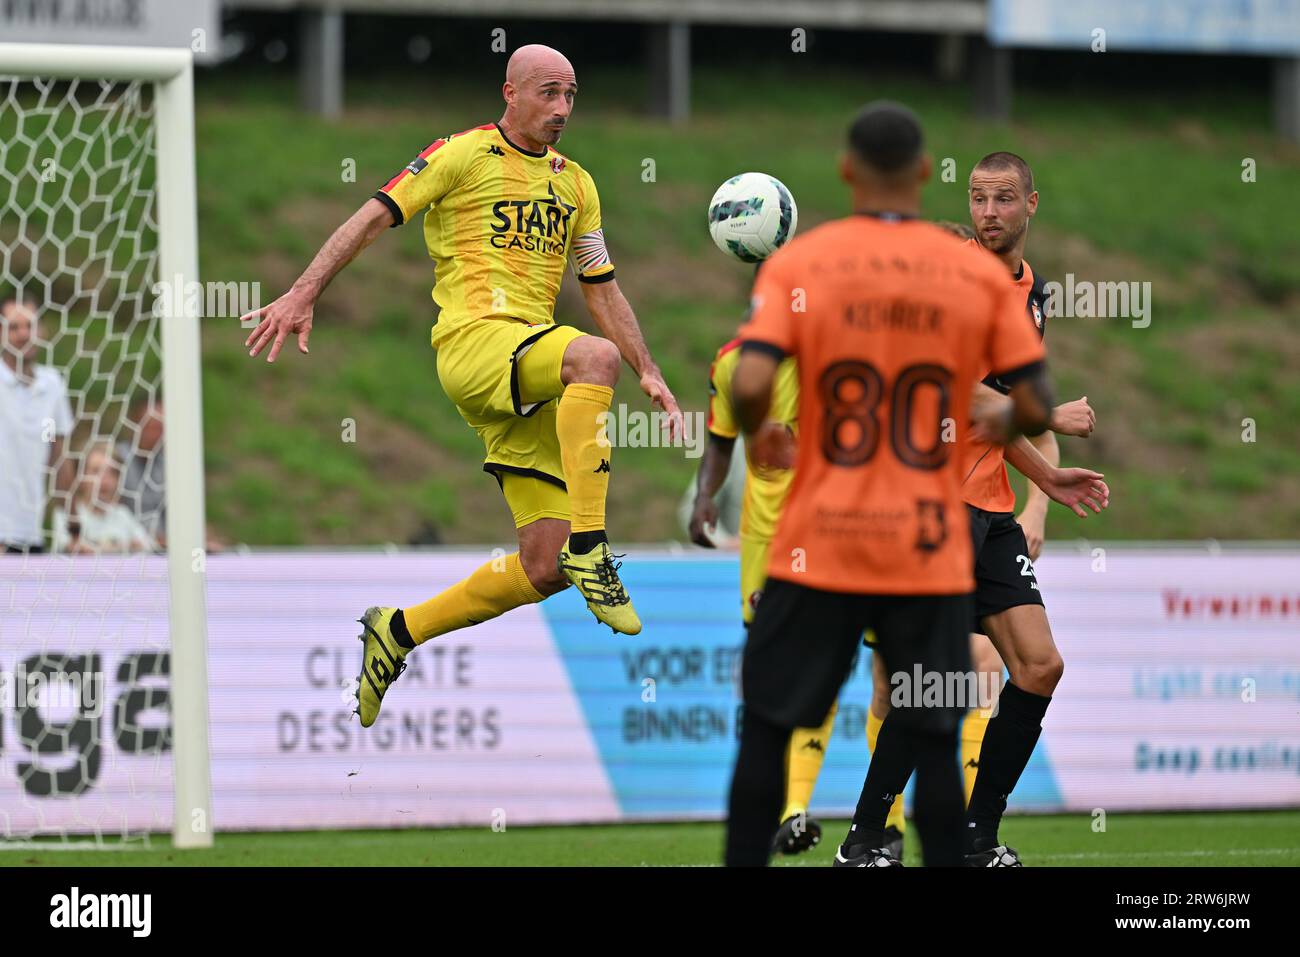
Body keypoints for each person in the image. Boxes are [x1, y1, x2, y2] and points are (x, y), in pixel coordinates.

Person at [240, 45, 681, 729]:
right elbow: (372, 215)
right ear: (510, 92)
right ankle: (593, 549)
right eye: (547, 93)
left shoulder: (577, 184)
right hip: (476, 344)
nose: (562, 109)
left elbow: (601, 285)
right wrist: (303, 290)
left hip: (524, 370)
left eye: (570, 95)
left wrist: (648, 366)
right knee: (593, 361)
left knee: (542, 565)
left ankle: (398, 630)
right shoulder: (459, 154)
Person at [723, 101, 1068, 867]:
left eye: (1000, 197)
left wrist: (764, 436)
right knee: (933, 700)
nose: (986, 212)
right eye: (976, 196)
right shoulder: (963, 281)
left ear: (847, 172)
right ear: (925, 176)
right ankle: (912, 839)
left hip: (828, 521)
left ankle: (882, 838)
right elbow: (1029, 402)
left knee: (781, 713)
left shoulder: (803, 264)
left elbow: (749, 381)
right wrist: (1046, 424)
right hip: (921, 521)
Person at [0, 296, 75, 553]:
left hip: (32, 533)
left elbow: (58, 456)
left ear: (41, 331)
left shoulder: (51, 384)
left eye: (29, 326)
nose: (23, 334)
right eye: (13, 327)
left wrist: (74, 528)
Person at [53, 441, 156, 554]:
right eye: (96, 471)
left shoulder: (122, 515)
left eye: (111, 472)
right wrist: (121, 546)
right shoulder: (65, 515)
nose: (104, 479)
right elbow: (69, 547)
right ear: (81, 477)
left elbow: (148, 545)